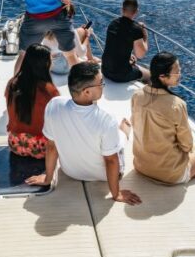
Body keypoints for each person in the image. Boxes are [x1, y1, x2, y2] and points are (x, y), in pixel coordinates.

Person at [25, 62, 142, 205]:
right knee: (121, 136)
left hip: (71, 172)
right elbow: (111, 160)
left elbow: (51, 147)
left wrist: (48, 178)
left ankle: (120, 131)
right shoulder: (106, 120)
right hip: (103, 176)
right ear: (87, 92)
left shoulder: (54, 105)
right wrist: (116, 194)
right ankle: (124, 131)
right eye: (101, 83)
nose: (103, 85)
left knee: (107, 133)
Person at [131, 52, 195, 184]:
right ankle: (187, 172)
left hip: (141, 166)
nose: (180, 74)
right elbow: (186, 145)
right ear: (162, 76)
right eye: (177, 71)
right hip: (169, 174)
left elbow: (135, 124)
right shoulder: (176, 104)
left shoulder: (137, 95)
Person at [5, 43, 60, 159]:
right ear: (45, 64)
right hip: (40, 149)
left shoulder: (12, 84)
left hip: (15, 145)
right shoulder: (50, 92)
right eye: (50, 60)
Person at [101, 0, 150, 83]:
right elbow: (140, 55)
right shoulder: (136, 29)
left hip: (105, 70)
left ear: (122, 10)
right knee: (150, 76)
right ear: (136, 12)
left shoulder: (113, 23)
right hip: (120, 75)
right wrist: (145, 34)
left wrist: (128, 56)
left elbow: (114, 46)